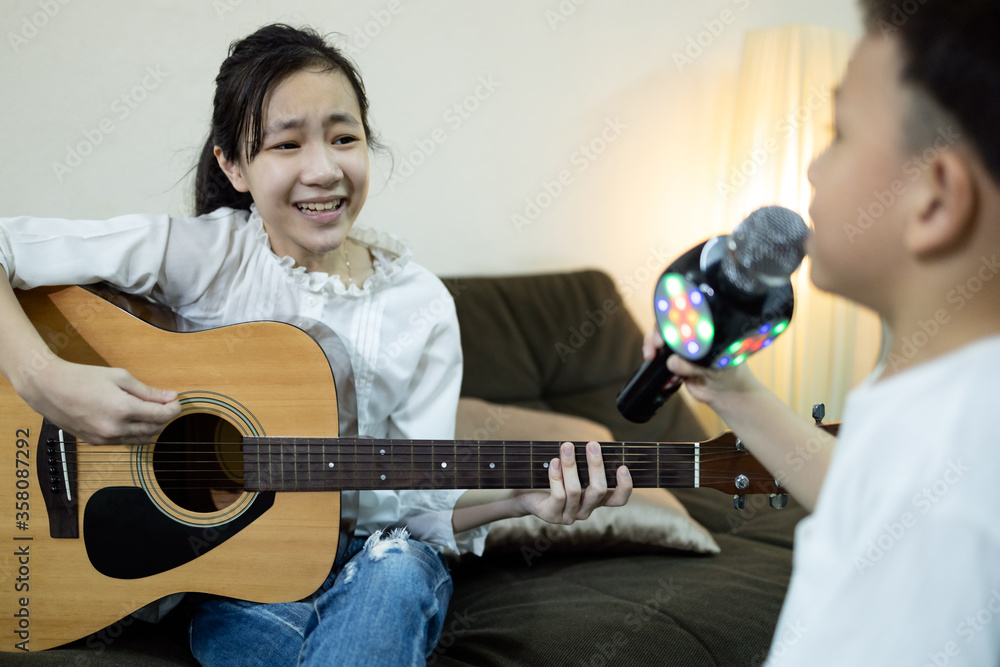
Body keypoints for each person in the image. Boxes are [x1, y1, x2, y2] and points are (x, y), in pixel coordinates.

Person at [0, 24, 632, 666]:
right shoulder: (207, 257)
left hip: (381, 561)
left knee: (395, 566)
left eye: (343, 137)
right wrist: (45, 379)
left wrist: (521, 497)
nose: (324, 170)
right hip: (244, 577)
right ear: (233, 164)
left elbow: (415, 502)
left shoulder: (421, 304)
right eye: (287, 143)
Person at [645, 0, 1000, 664]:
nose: (811, 169)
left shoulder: (952, 466)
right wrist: (731, 389)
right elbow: (865, 503)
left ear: (936, 199)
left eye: (838, 132)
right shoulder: (949, 405)